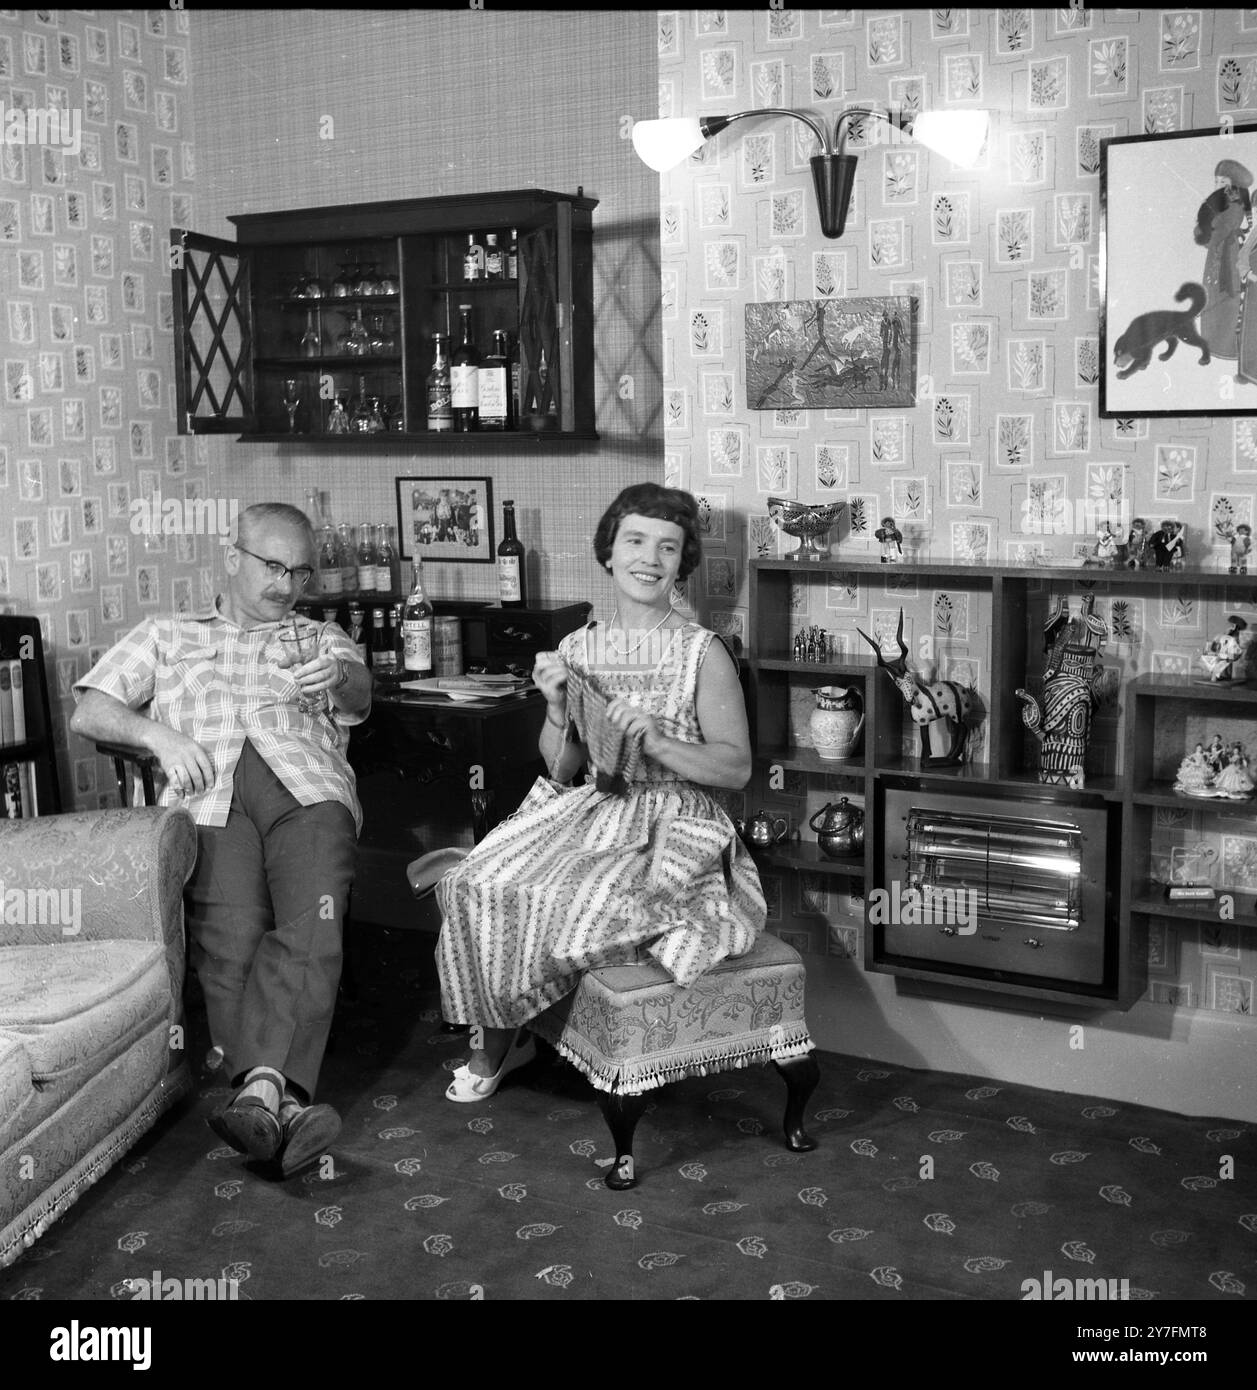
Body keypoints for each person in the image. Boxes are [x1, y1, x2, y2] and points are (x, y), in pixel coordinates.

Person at [432, 482, 765, 1103]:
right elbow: (561, 769)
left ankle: (504, 1039)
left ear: (682, 564)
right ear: (608, 552)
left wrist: (661, 743)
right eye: (635, 541)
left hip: (675, 824)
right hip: (593, 808)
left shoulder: (703, 651)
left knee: (575, 895)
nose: (649, 558)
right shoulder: (577, 646)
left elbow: (736, 769)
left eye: (668, 548)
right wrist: (558, 708)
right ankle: (505, 1033)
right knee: (476, 878)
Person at [69, 503, 372, 1176]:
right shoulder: (167, 633)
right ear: (230, 555)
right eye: (272, 566)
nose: (285, 585)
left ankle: (258, 1092)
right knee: (230, 938)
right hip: (209, 790)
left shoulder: (318, 638)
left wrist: (342, 677)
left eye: (300, 572)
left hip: (305, 786)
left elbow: (360, 695)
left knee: (311, 922)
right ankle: (282, 1104)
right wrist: (159, 736)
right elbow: (91, 708)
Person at [1195, 157, 1253, 359]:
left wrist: (1205, 230)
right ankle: (1214, 345)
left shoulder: (1234, 205)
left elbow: (1214, 234)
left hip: (1229, 257)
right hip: (1218, 256)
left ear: (1233, 185)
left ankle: (1225, 348)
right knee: (1214, 295)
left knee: (1226, 298)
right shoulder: (1220, 202)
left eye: (1223, 182)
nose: (1218, 186)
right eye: (1216, 181)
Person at [1200, 614, 1247, 681]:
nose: (1227, 625)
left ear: (1234, 626)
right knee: (1218, 659)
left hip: (1232, 654)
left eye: (1230, 624)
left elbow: (1234, 650)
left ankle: (1221, 675)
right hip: (1227, 654)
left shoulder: (1235, 637)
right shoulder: (1229, 634)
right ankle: (1222, 675)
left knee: (1222, 660)